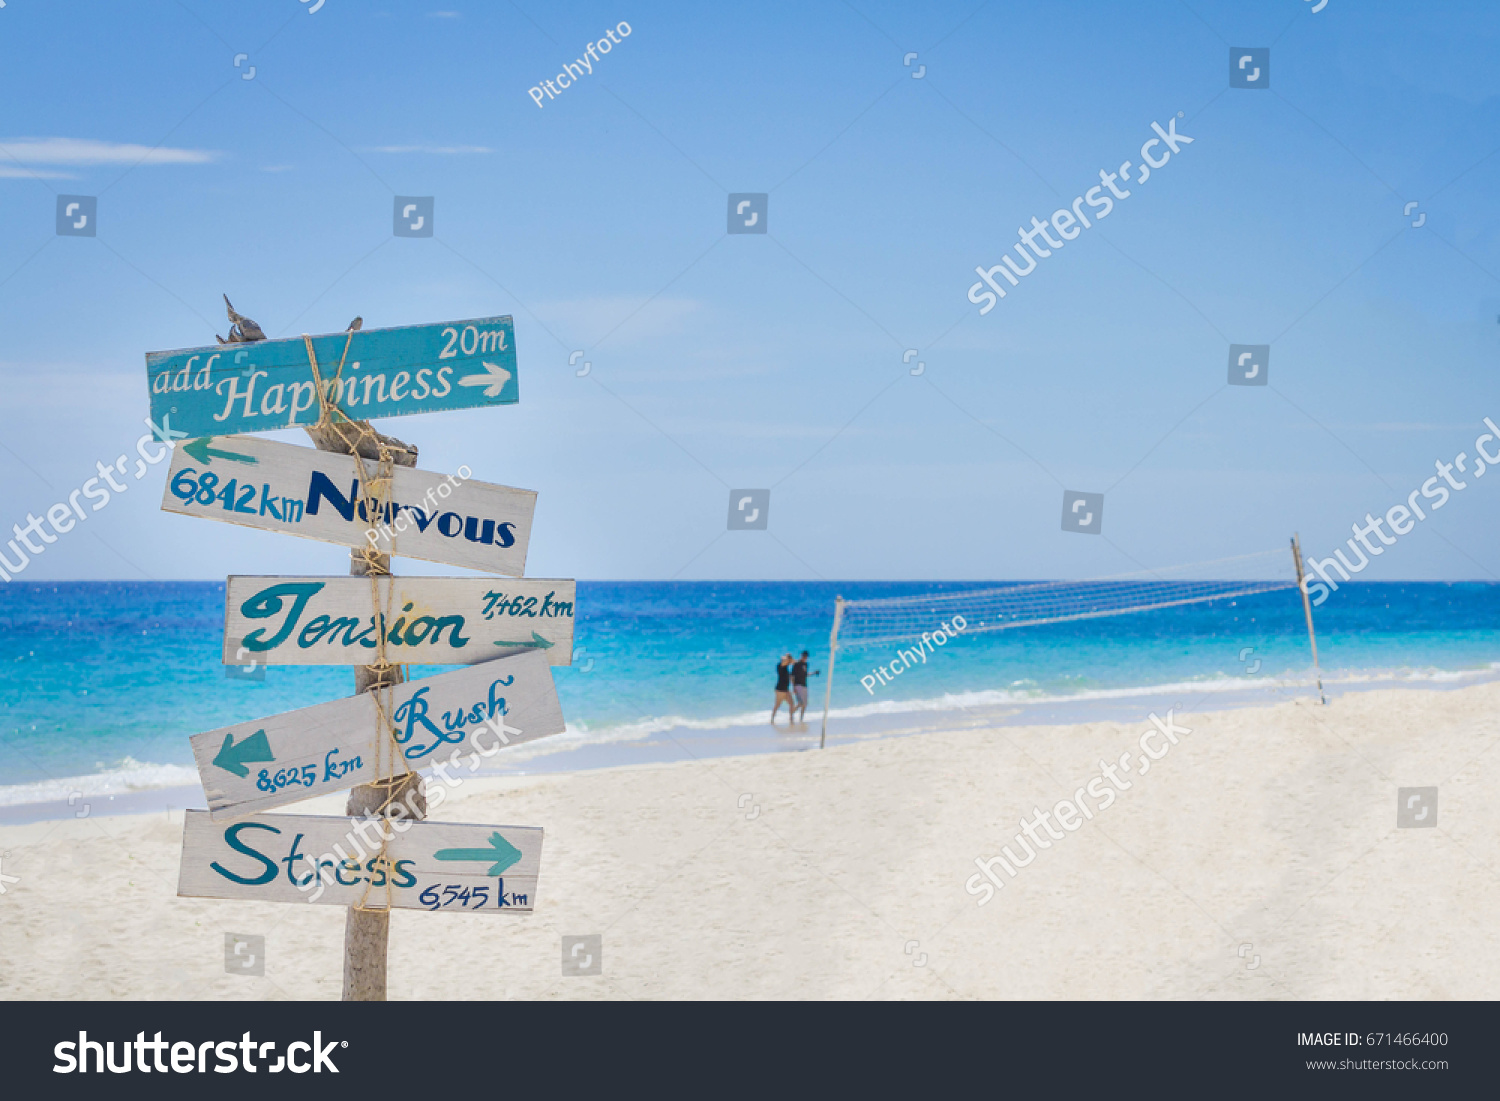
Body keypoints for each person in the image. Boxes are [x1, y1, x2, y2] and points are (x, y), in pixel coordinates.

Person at [790, 650, 821, 721]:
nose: (804, 658)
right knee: (800, 703)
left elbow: (805, 674)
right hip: (798, 685)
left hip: (804, 685)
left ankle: (801, 719)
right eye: (803, 656)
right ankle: (791, 714)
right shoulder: (797, 664)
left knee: (805, 704)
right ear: (801, 656)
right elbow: (791, 676)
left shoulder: (806, 664)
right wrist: (793, 687)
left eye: (806, 657)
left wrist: (814, 673)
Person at [771, 653, 795, 725]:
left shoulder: (786, 667)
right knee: (777, 705)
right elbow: (784, 660)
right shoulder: (779, 666)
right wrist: (787, 657)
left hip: (786, 690)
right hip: (780, 690)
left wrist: (790, 658)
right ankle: (772, 719)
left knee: (791, 704)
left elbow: (793, 662)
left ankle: (791, 719)